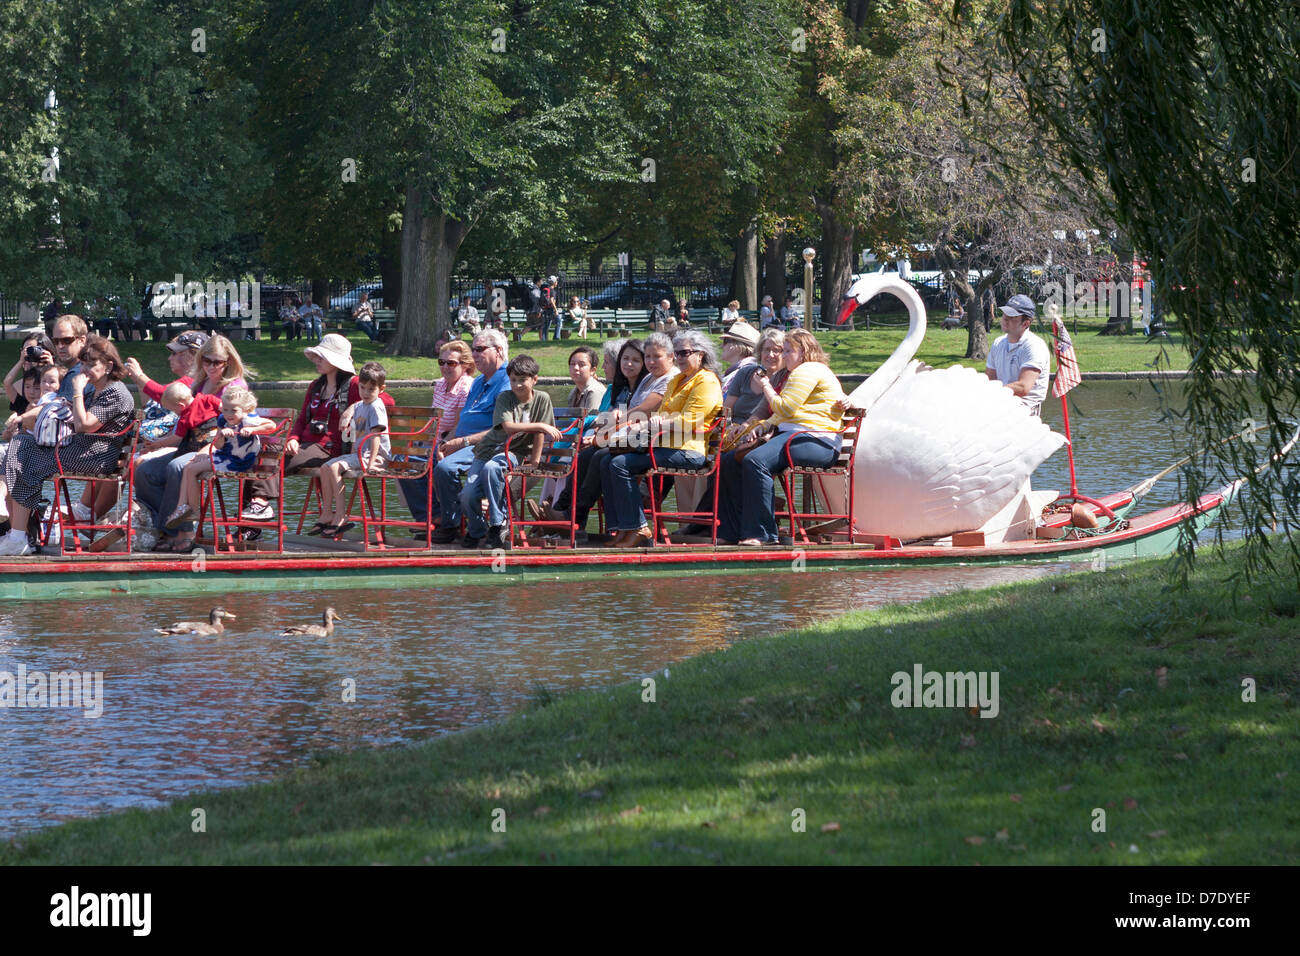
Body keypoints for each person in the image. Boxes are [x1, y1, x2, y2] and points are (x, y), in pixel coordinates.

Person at [0, 336, 135, 556]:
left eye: (92, 364)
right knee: (21, 444)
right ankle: (18, 534)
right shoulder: (97, 389)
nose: (85, 369)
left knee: (23, 456)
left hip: (94, 456)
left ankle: (18, 536)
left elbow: (84, 425)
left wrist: (77, 391)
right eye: (83, 363)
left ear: (109, 366)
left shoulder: (115, 392)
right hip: (81, 450)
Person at [717, 329, 846, 546]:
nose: (783, 355)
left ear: (804, 351)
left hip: (816, 441)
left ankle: (763, 534)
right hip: (796, 436)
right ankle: (732, 531)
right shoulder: (800, 372)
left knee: (756, 461)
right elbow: (783, 414)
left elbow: (785, 408)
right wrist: (764, 426)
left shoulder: (808, 370)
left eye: (787, 351)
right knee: (730, 461)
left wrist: (766, 385)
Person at [600, 329, 722, 548]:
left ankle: (638, 527)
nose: (680, 358)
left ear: (700, 355)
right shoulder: (677, 380)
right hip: (661, 445)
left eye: (685, 353)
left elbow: (691, 421)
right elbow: (662, 414)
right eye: (677, 353)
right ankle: (621, 527)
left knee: (620, 464)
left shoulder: (707, 381)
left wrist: (653, 424)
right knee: (606, 460)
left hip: (689, 451)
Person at [135, 335, 249, 551]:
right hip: (191, 445)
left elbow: (238, 423)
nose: (211, 366)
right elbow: (182, 415)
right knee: (145, 471)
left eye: (217, 362)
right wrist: (159, 443)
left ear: (228, 362)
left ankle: (185, 531)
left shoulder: (235, 386)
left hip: (222, 447)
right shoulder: (199, 384)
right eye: (207, 361)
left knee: (177, 466)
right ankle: (164, 526)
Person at [459, 355, 559, 550]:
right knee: (468, 494)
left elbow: (539, 434)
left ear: (534, 380)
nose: (518, 385)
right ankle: (478, 530)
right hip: (489, 449)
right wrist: (540, 424)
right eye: (513, 380)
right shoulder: (505, 397)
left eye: (523, 380)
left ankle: (498, 524)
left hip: (515, 451)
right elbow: (508, 427)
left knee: (492, 468)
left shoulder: (542, 399)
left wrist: (535, 461)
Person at [165, 387, 278, 548]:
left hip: (240, 460)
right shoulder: (223, 420)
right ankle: (189, 508)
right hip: (226, 455)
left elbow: (271, 425)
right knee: (189, 468)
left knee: (192, 469)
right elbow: (217, 445)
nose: (229, 414)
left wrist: (253, 430)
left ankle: (190, 508)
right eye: (225, 409)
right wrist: (221, 435)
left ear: (244, 410)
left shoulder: (249, 419)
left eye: (234, 410)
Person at [429, 329, 512, 544]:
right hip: (465, 444)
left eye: (480, 349)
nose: (474, 354)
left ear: (499, 350)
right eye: (473, 349)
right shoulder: (477, 383)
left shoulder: (507, 380)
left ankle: (469, 528)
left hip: (488, 446)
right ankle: (450, 524)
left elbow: (501, 428)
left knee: (445, 468)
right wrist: (447, 442)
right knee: (431, 460)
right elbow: (464, 420)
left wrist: (462, 442)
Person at [311, 362, 391, 537]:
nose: (366, 393)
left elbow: (375, 437)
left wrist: (370, 465)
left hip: (375, 456)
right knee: (324, 468)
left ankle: (341, 515)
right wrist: (353, 449)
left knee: (333, 467)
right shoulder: (361, 405)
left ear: (381, 389)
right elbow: (357, 433)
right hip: (360, 454)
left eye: (371, 389)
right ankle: (326, 513)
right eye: (362, 388)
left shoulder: (376, 407)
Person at [986, 293, 1050, 415]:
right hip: (999, 405)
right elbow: (990, 379)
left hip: (1025, 411)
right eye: (1005, 313)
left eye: (1012, 316)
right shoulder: (998, 343)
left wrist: (993, 392)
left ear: (1025, 324)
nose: (1005, 318)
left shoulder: (1034, 346)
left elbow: (1023, 387)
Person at [4, 331, 56, 416]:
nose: (26, 354)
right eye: (24, 350)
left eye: (31, 350)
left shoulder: (53, 382)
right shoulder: (20, 391)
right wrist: (21, 361)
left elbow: (58, 391)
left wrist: (51, 366)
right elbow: (7, 383)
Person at [719, 322, 759, 391]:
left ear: (737, 346)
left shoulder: (746, 373)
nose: (721, 346)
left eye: (725, 341)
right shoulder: (738, 370)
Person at [566, 346, 606, 412]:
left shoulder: (595, 392)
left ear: (592, 370)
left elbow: (591, 421)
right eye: (572, 364)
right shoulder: (573, 393)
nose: (575, 368)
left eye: (581, 364)